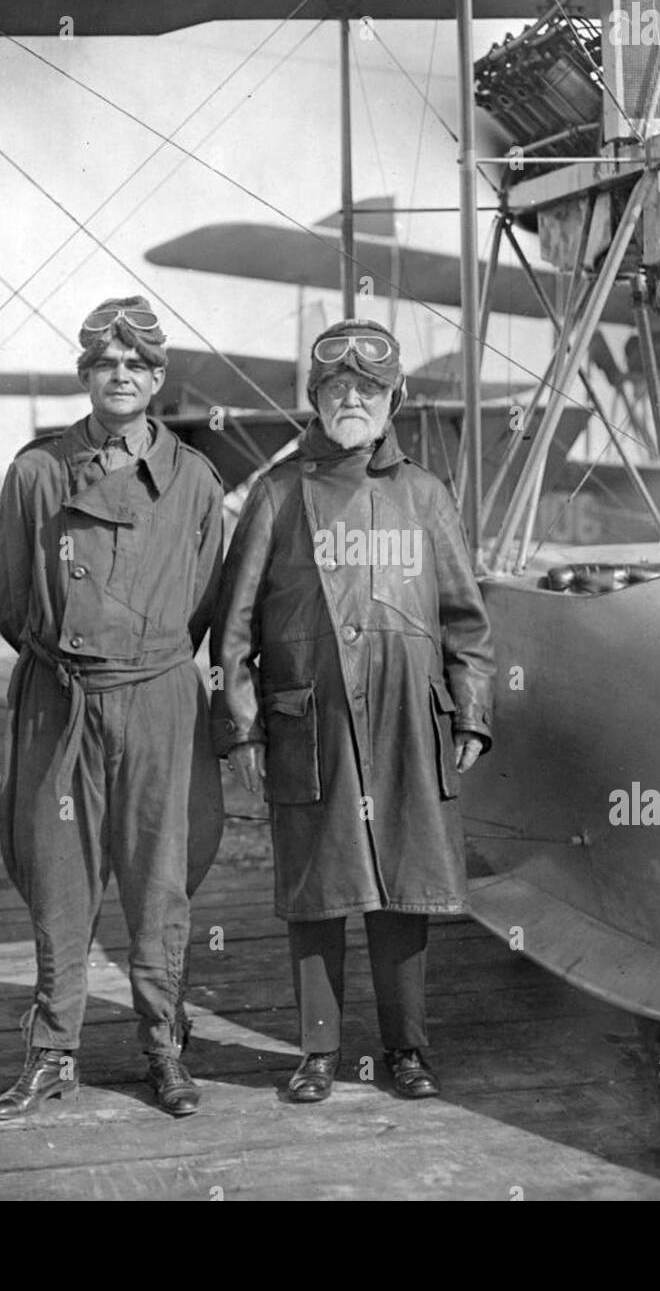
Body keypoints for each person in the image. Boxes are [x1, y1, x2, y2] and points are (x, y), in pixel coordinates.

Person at [211, 318, 495, 1102]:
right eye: (335, 388)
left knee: (405, 885)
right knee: (319, 887)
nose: (351, 400)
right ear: (314, 396)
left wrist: (471, 708)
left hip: (409, 718)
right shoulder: (276, 494)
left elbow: (465, 618)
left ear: (394, 396)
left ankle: (407, 1049)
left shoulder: (427, 496)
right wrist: (242, 727)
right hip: (313, 725)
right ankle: (319, 1054)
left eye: (368, 388)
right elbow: (233, 632)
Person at [0, 295, 225, 1120]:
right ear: (86, 376)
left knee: (160, 886)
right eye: (105, 364)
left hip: (158, 700)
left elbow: (201, 602)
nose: (120, 375)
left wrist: (143, 657)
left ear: (157, 379)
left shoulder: (194, 480)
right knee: (60, 884)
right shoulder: (36, 474)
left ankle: (164, 1048)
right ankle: (52, 1053)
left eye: (137, 365)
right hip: (64, 700)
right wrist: (76, 662)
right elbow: (16, 605)